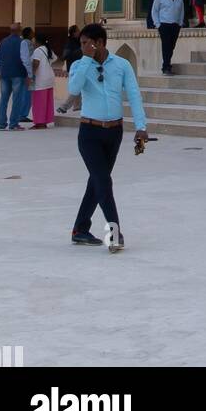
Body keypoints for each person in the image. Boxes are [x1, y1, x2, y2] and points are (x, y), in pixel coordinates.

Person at [67, 23, 148, 249]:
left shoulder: (121, 65)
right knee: (104, 181)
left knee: (97, 181)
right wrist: (85, 59)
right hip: (89, 132)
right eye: (80, 43)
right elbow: (73, 89)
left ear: (100, 42)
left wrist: (141, 126)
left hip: (114, 132)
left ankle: (80, 229)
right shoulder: (78, 65)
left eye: (85, 43)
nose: (81, 46)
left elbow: (133, 94)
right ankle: (115, 232)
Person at [0, 22, 30, 131]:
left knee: (4, 99)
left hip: (5, 74)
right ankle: (13, 124)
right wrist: (29, 74)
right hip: (18, 74)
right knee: (17, 99)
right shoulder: (22, 42)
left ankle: (2, 123)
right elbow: (25, 60)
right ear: (19, 31)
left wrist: (0, 72)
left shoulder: (2, 42)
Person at [151, 0, 185, 74]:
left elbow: (181, 9)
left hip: (175, 25)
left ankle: (167, 64)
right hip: (164, 25)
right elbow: (154, 11)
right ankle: (166, 67)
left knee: (171, 46)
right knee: (166, 46)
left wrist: (180, 22)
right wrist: (157, 24)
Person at [29, 33, 56, 129]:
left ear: (37, 41)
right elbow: (54, 58)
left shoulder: (37, 51)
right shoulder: (47, 49)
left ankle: (39, 123)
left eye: (33, 40)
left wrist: (31, 75)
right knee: (47, 101)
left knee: (38, 101)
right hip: (49, 78)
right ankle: (45, 121)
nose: (32, 42)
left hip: (41, 79)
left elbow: (36, 63)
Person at [57, 25, 83, 114]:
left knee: (78, 87)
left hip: (80, 67)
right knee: (76, 87)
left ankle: (77, 106)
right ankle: (64, 106)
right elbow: (65, 56)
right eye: (77, 31)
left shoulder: (78, 41)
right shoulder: (70, 43)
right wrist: (79, 51)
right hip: (74, 69)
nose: (79, 32)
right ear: (74, 33)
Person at [16, 26, 35, 122]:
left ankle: (21, 113)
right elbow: (28, 59)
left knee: (24, 94)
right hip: (27, 72)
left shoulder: (24, 42)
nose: (33, 33)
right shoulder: (27, 43)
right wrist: (30, 74)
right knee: (27, 94)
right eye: (32, 32)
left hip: (24, 71)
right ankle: (22, 114)